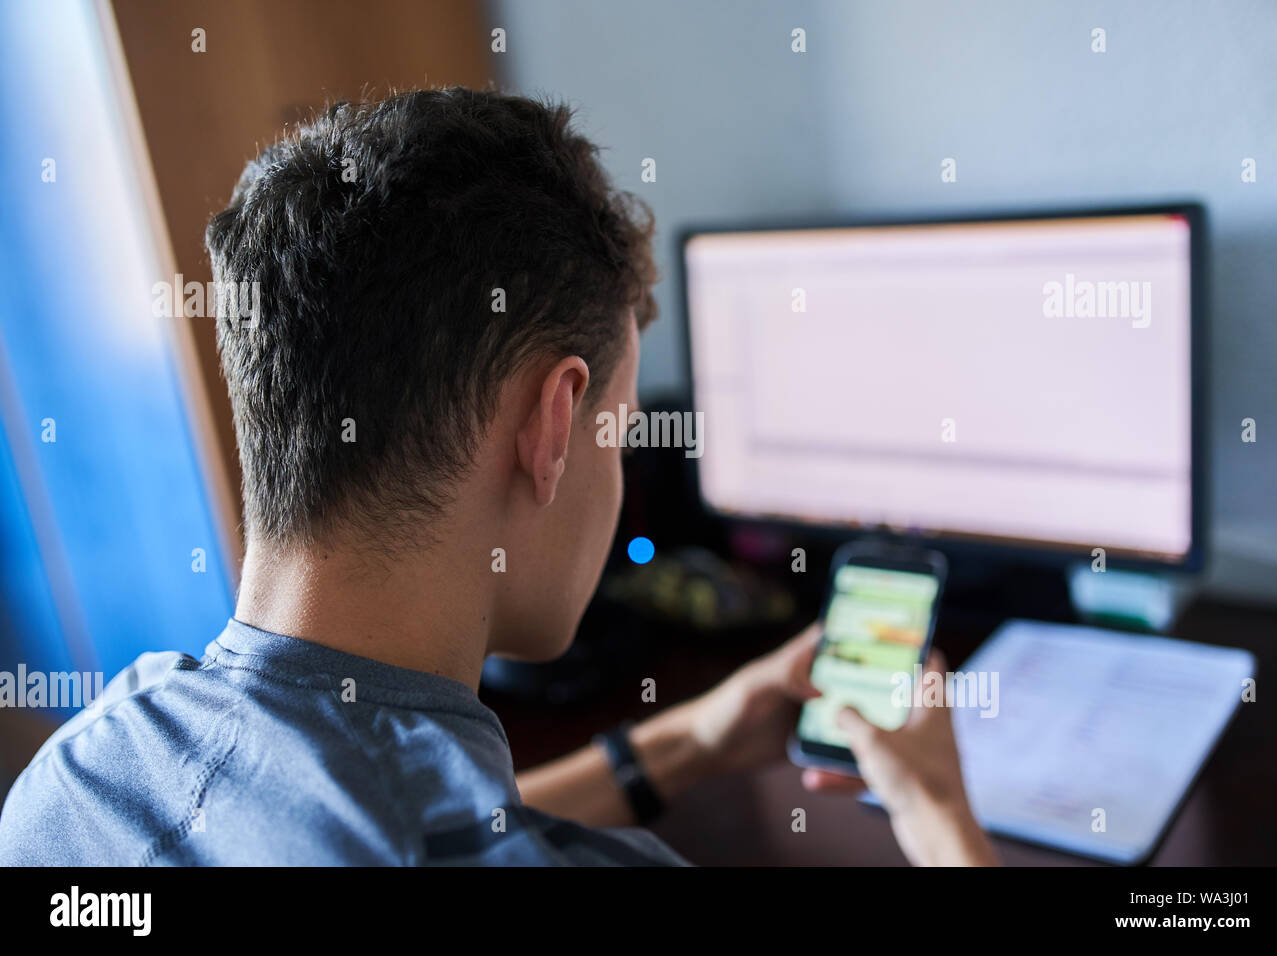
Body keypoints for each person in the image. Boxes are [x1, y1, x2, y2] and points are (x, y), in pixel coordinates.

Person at [0, 88, 996, 866]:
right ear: (553, 424)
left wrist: (689, 738)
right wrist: (942, 817)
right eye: (621, 430)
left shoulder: (75, 778)